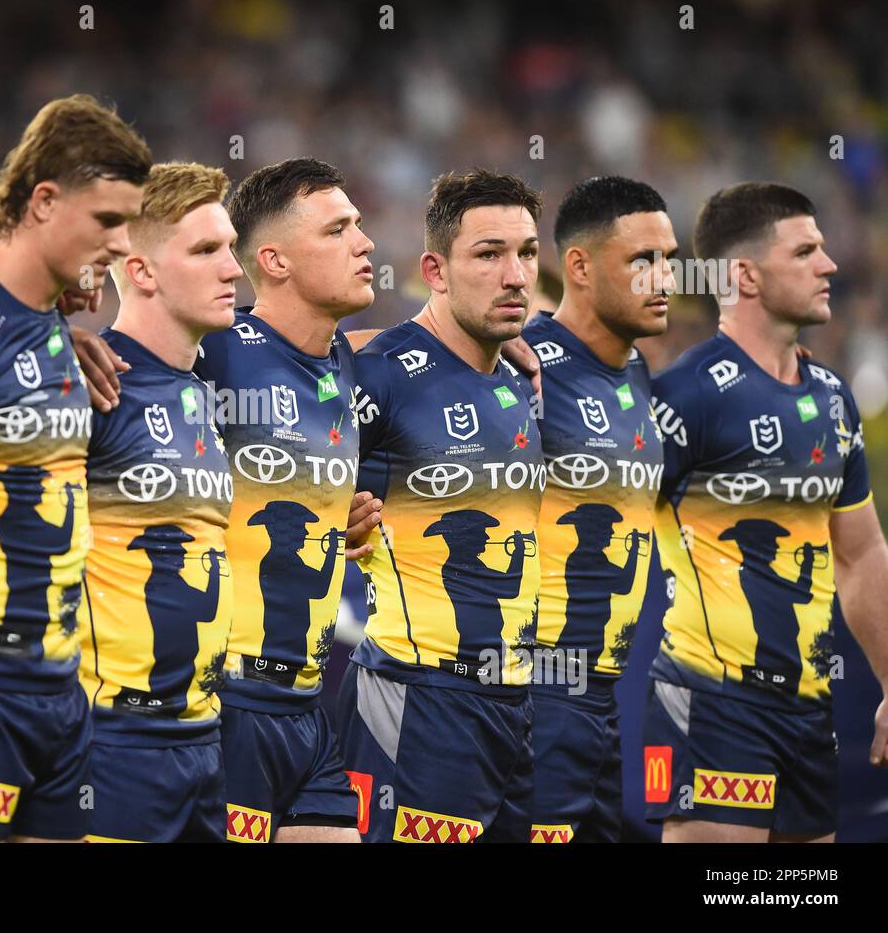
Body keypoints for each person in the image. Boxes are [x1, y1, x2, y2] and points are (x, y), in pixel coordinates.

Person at [0, 95, 151, 841]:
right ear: (44, 199)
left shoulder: (60, 326)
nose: (122, 245)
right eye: (108, 221)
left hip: (60, 684)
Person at [646, 182, 888, 843]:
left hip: (809, 709)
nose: (829, 263)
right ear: (745, 274)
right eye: (806, 250)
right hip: (712, 698)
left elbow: (861, 552)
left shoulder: (834, 398)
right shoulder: (687, 397)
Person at [338, 170, 545, 842]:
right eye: (489, 254)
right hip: (417, 700)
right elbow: (266, 369)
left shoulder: (516, 381)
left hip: (513, 706)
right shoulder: (378, 374)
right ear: (436, 268)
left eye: (526, 253)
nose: (514, 274)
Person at [78, 162, 240, 842]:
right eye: (206, 250)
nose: (232, 268)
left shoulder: (206, 389)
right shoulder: (87, 378)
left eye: (231, 246)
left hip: (203, 739)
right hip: (112, 741)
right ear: (141, 272)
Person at [520, 176, 675, 841]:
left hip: (603, 699)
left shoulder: (634, 371)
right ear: (578, 267)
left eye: (671, 258)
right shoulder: (519, 366)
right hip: (531, 694)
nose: (666, 276)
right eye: (644, 260)